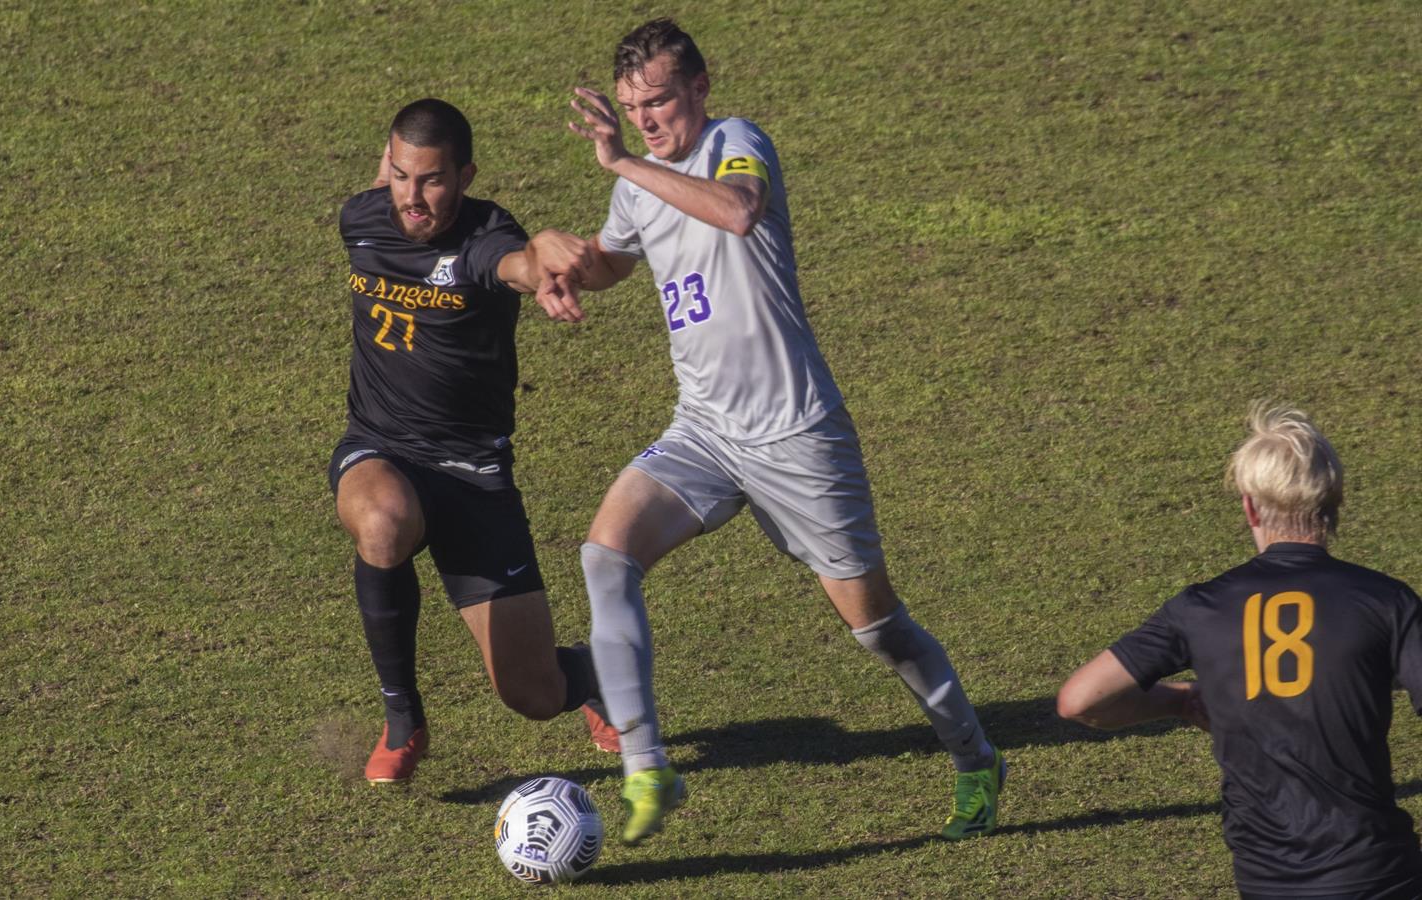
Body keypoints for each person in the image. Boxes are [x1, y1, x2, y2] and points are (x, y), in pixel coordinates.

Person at [550, 19, 1002, 844]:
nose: (646, 120)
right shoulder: (638, 181)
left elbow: (737, 212)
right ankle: (647, 767)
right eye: (630, 108)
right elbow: (619, 256)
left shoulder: (734, 142)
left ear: (699, 87)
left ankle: (975, 757)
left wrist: (624, 161)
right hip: (705, 432)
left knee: (878, 628)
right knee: (604, 554)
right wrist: (562, 271)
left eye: (657, 101)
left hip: (798, 437)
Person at [331, 98, 616, 785]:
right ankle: (405, 723)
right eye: (401, 176)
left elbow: (513, 264)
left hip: (474, 474)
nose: (414, 198)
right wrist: (391, 181)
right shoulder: (361, 218)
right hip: (380, 447)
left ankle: (599, 674)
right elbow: (383, 193)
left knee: (533, 694)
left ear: (464, 175)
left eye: (431, 180)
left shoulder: (487, 235)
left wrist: (542, 254)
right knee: (382, 521)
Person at [1058, 404, 1422, 898]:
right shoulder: (1387, 601)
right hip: (1378, 871)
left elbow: (1080, 700)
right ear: (1335, 501)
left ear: (1250, 507)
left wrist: (1179, 701)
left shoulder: (1201, 607)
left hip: (1266, 878)